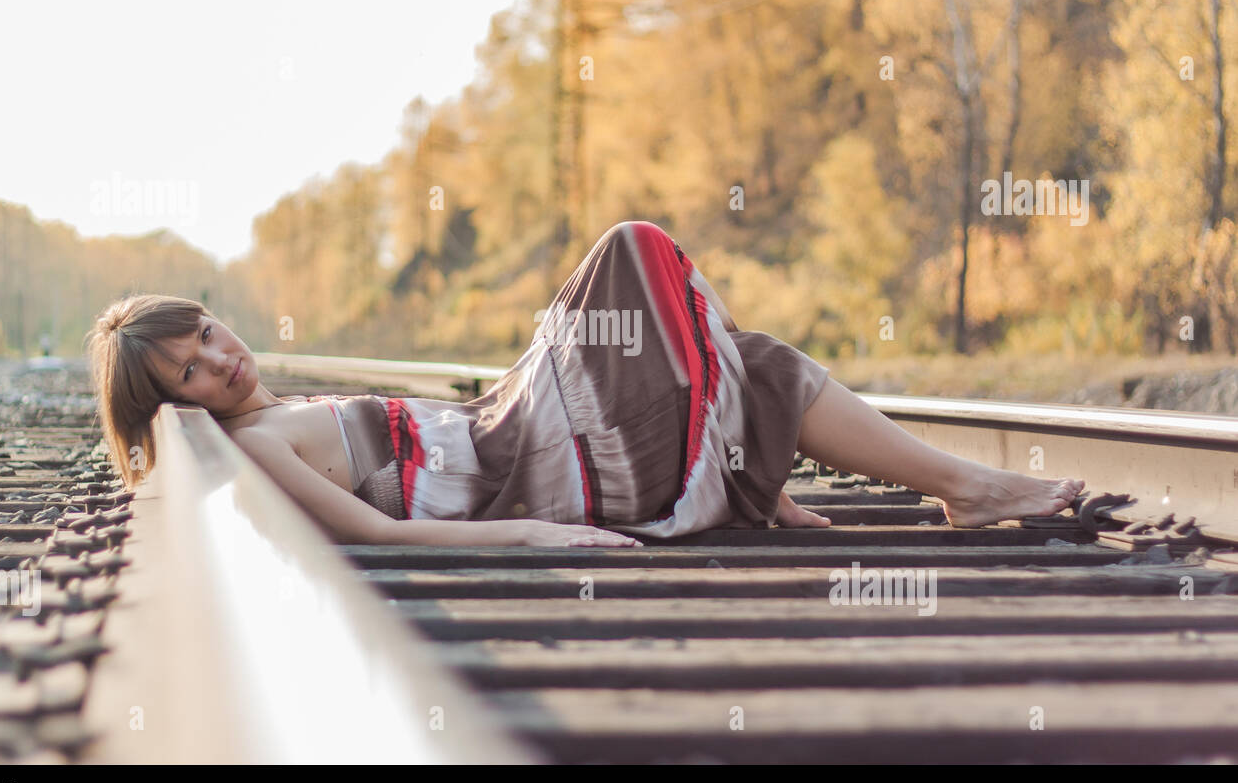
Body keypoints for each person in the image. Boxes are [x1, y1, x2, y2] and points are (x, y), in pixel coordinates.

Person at [84, 221, 1082, 548]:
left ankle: (771, 469)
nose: (221, 357)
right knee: (664, 281)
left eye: (208, 332)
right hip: (531, 472)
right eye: (193, 369)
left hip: (517, 422)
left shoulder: (272, 409)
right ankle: (959, 486)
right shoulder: (254, 446)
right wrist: (543, 536)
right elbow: (383, 537)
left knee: (706, 322)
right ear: (175, 403)